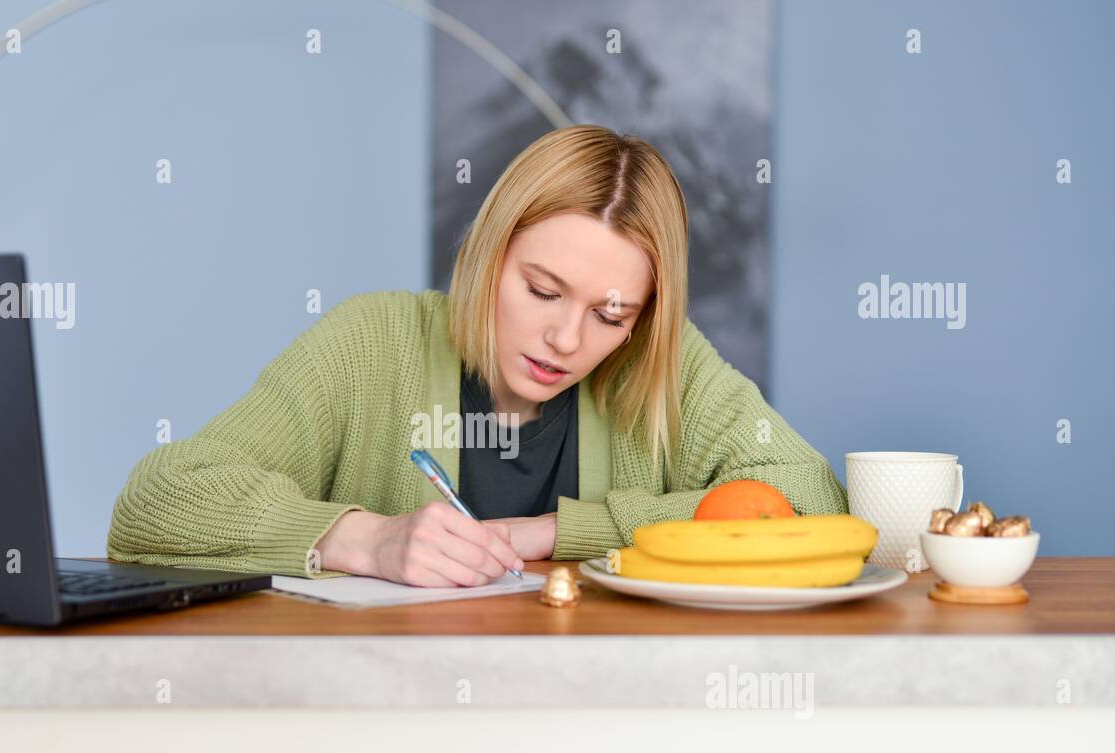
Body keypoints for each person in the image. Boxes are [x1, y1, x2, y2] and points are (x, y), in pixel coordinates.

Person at [107, 124, 847, 587]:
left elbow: (808, 495)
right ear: (490, 254)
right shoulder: (372, 342)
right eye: (542, 289)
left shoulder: (661, 360)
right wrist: (366, 539)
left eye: (609, 313)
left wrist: (559, 533)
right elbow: (156, 502)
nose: (566, 339)